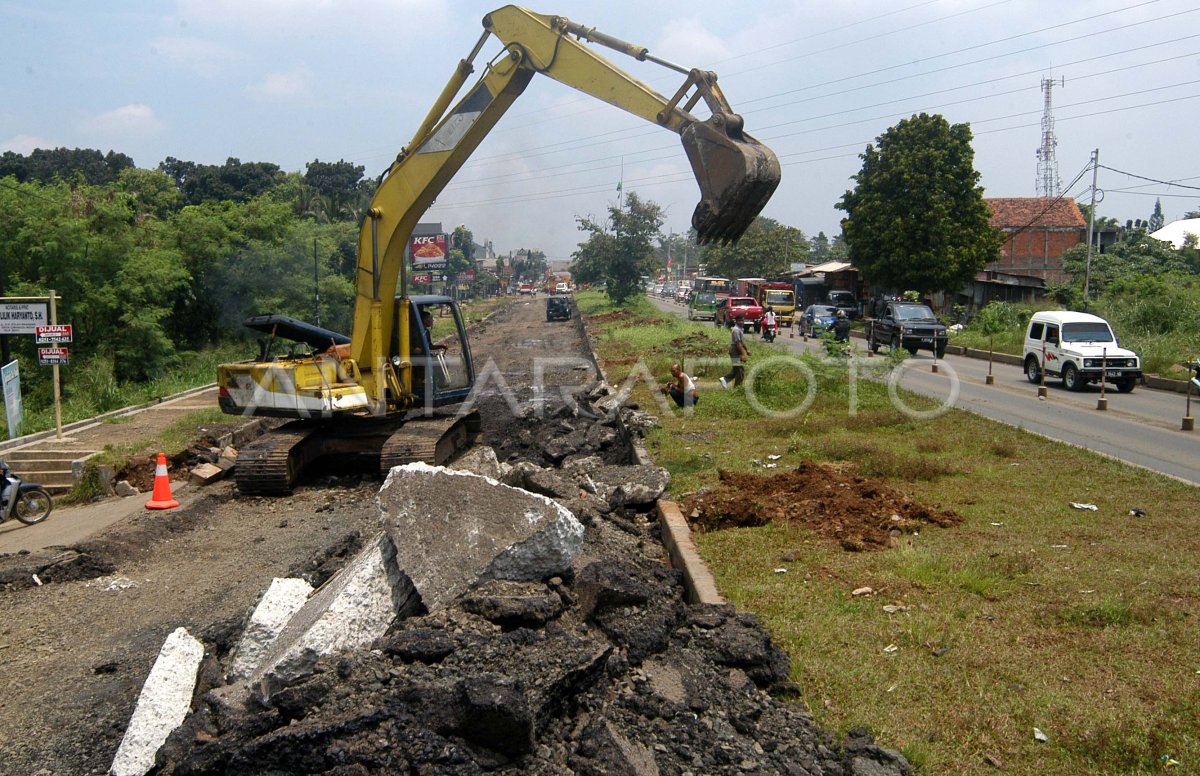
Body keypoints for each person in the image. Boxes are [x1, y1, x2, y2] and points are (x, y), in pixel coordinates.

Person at [719, 318, 748, 389]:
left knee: (737, 369)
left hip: (737, 350)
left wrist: (747, 350)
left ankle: (725, 379)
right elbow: (738, 343)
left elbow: (742, 342)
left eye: (742, 320)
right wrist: (744, 354)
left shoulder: (740, 329)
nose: (741, 322)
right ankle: (737, 388)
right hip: (735, 351)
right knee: (739, 370)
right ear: (736, 321)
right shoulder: (736, 330)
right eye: (740, 320)